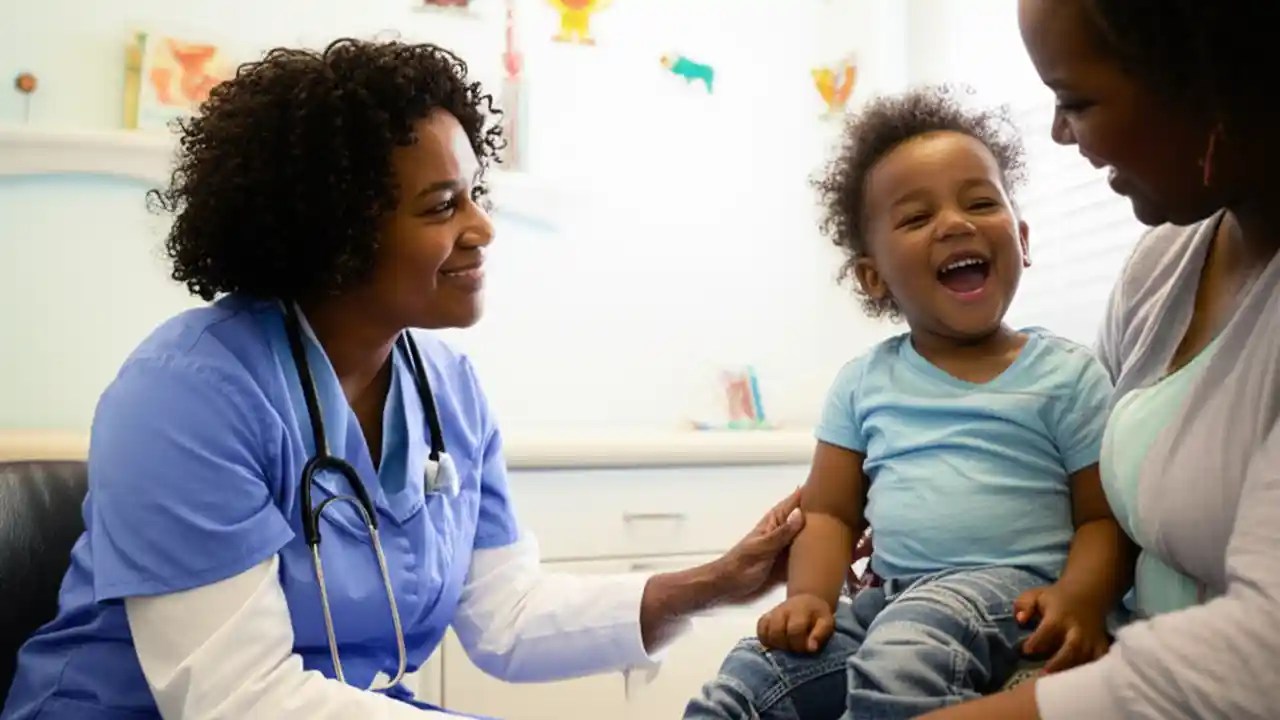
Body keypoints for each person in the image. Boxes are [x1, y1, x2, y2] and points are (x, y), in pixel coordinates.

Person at [0, 39, 805, 720]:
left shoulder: (446, 389)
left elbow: (505, 615)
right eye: (442, 206)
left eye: (475, 195)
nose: (483, 229)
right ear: (335, 233)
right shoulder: (185, 396)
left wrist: (713, 583)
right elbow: (235, 695)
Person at [683, 86, 1133, 720]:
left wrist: (1083, 600)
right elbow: (832, 513)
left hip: (1014, 594)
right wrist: (811, 596)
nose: (955, 223)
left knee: (907, 649)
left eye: (981, 202)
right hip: (888, 599)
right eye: (917, 218)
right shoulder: (864, 382)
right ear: (874, 277)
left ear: (1023, 239)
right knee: (751, 674)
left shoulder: (1065, 374)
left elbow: (1102, 519)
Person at [920, 1, 1280, 719]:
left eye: (1075, 101)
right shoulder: (1162, 265)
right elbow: (1100, 504)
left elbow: (1260, 661)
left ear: (1213, 86)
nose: (1059, 133)